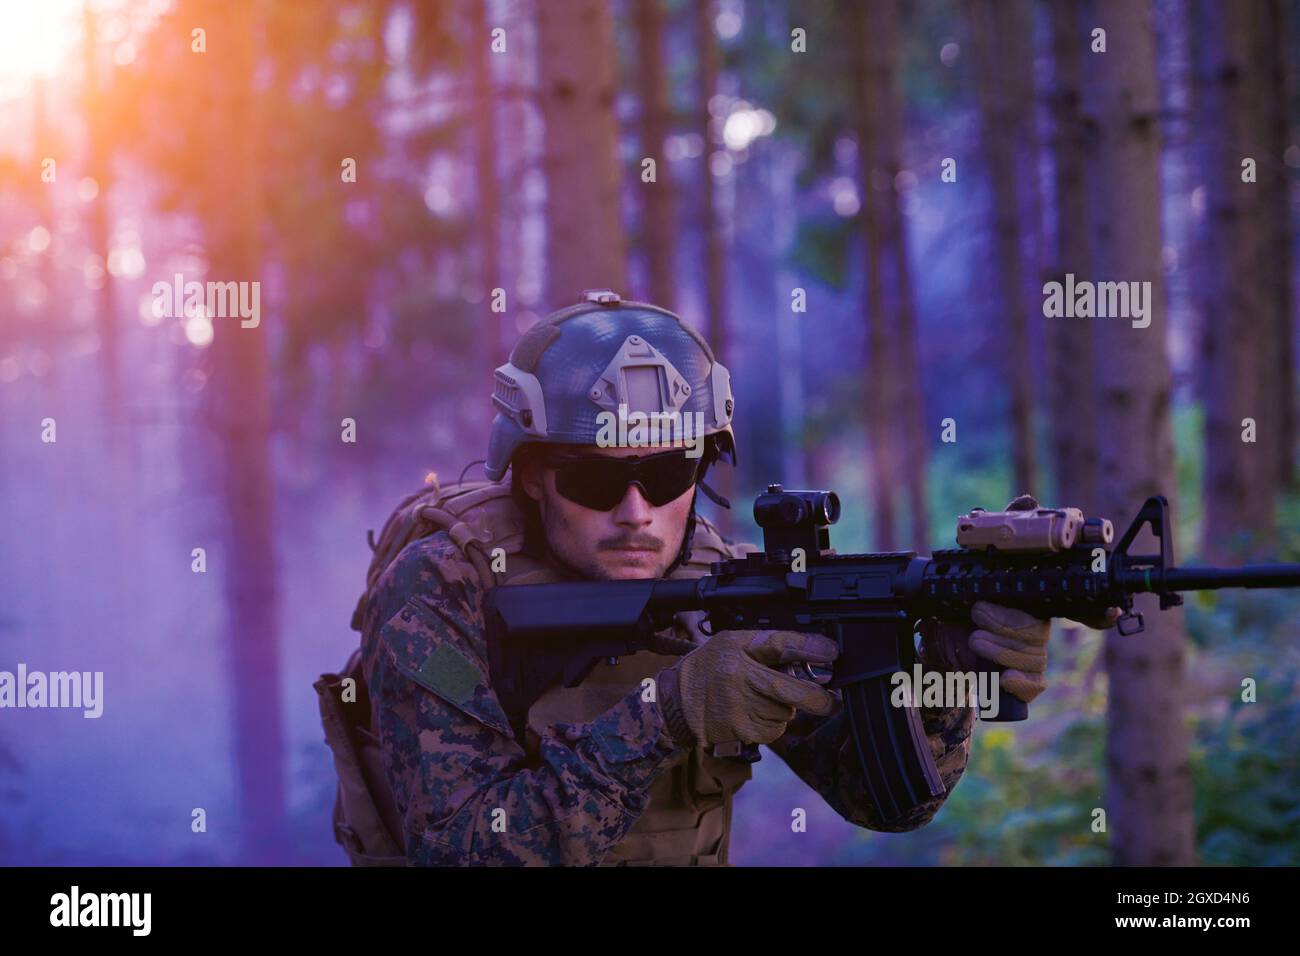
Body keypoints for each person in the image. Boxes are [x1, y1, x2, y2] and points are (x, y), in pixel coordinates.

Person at [337, 290, 1114, 866]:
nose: (638, 511)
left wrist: (941, 678)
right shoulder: (437, 594)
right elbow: (467, 848)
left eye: (671, 471)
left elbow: (891, 800)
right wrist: (665, 715)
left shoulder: (725, 581)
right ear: (533, 476)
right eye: (596, 481)